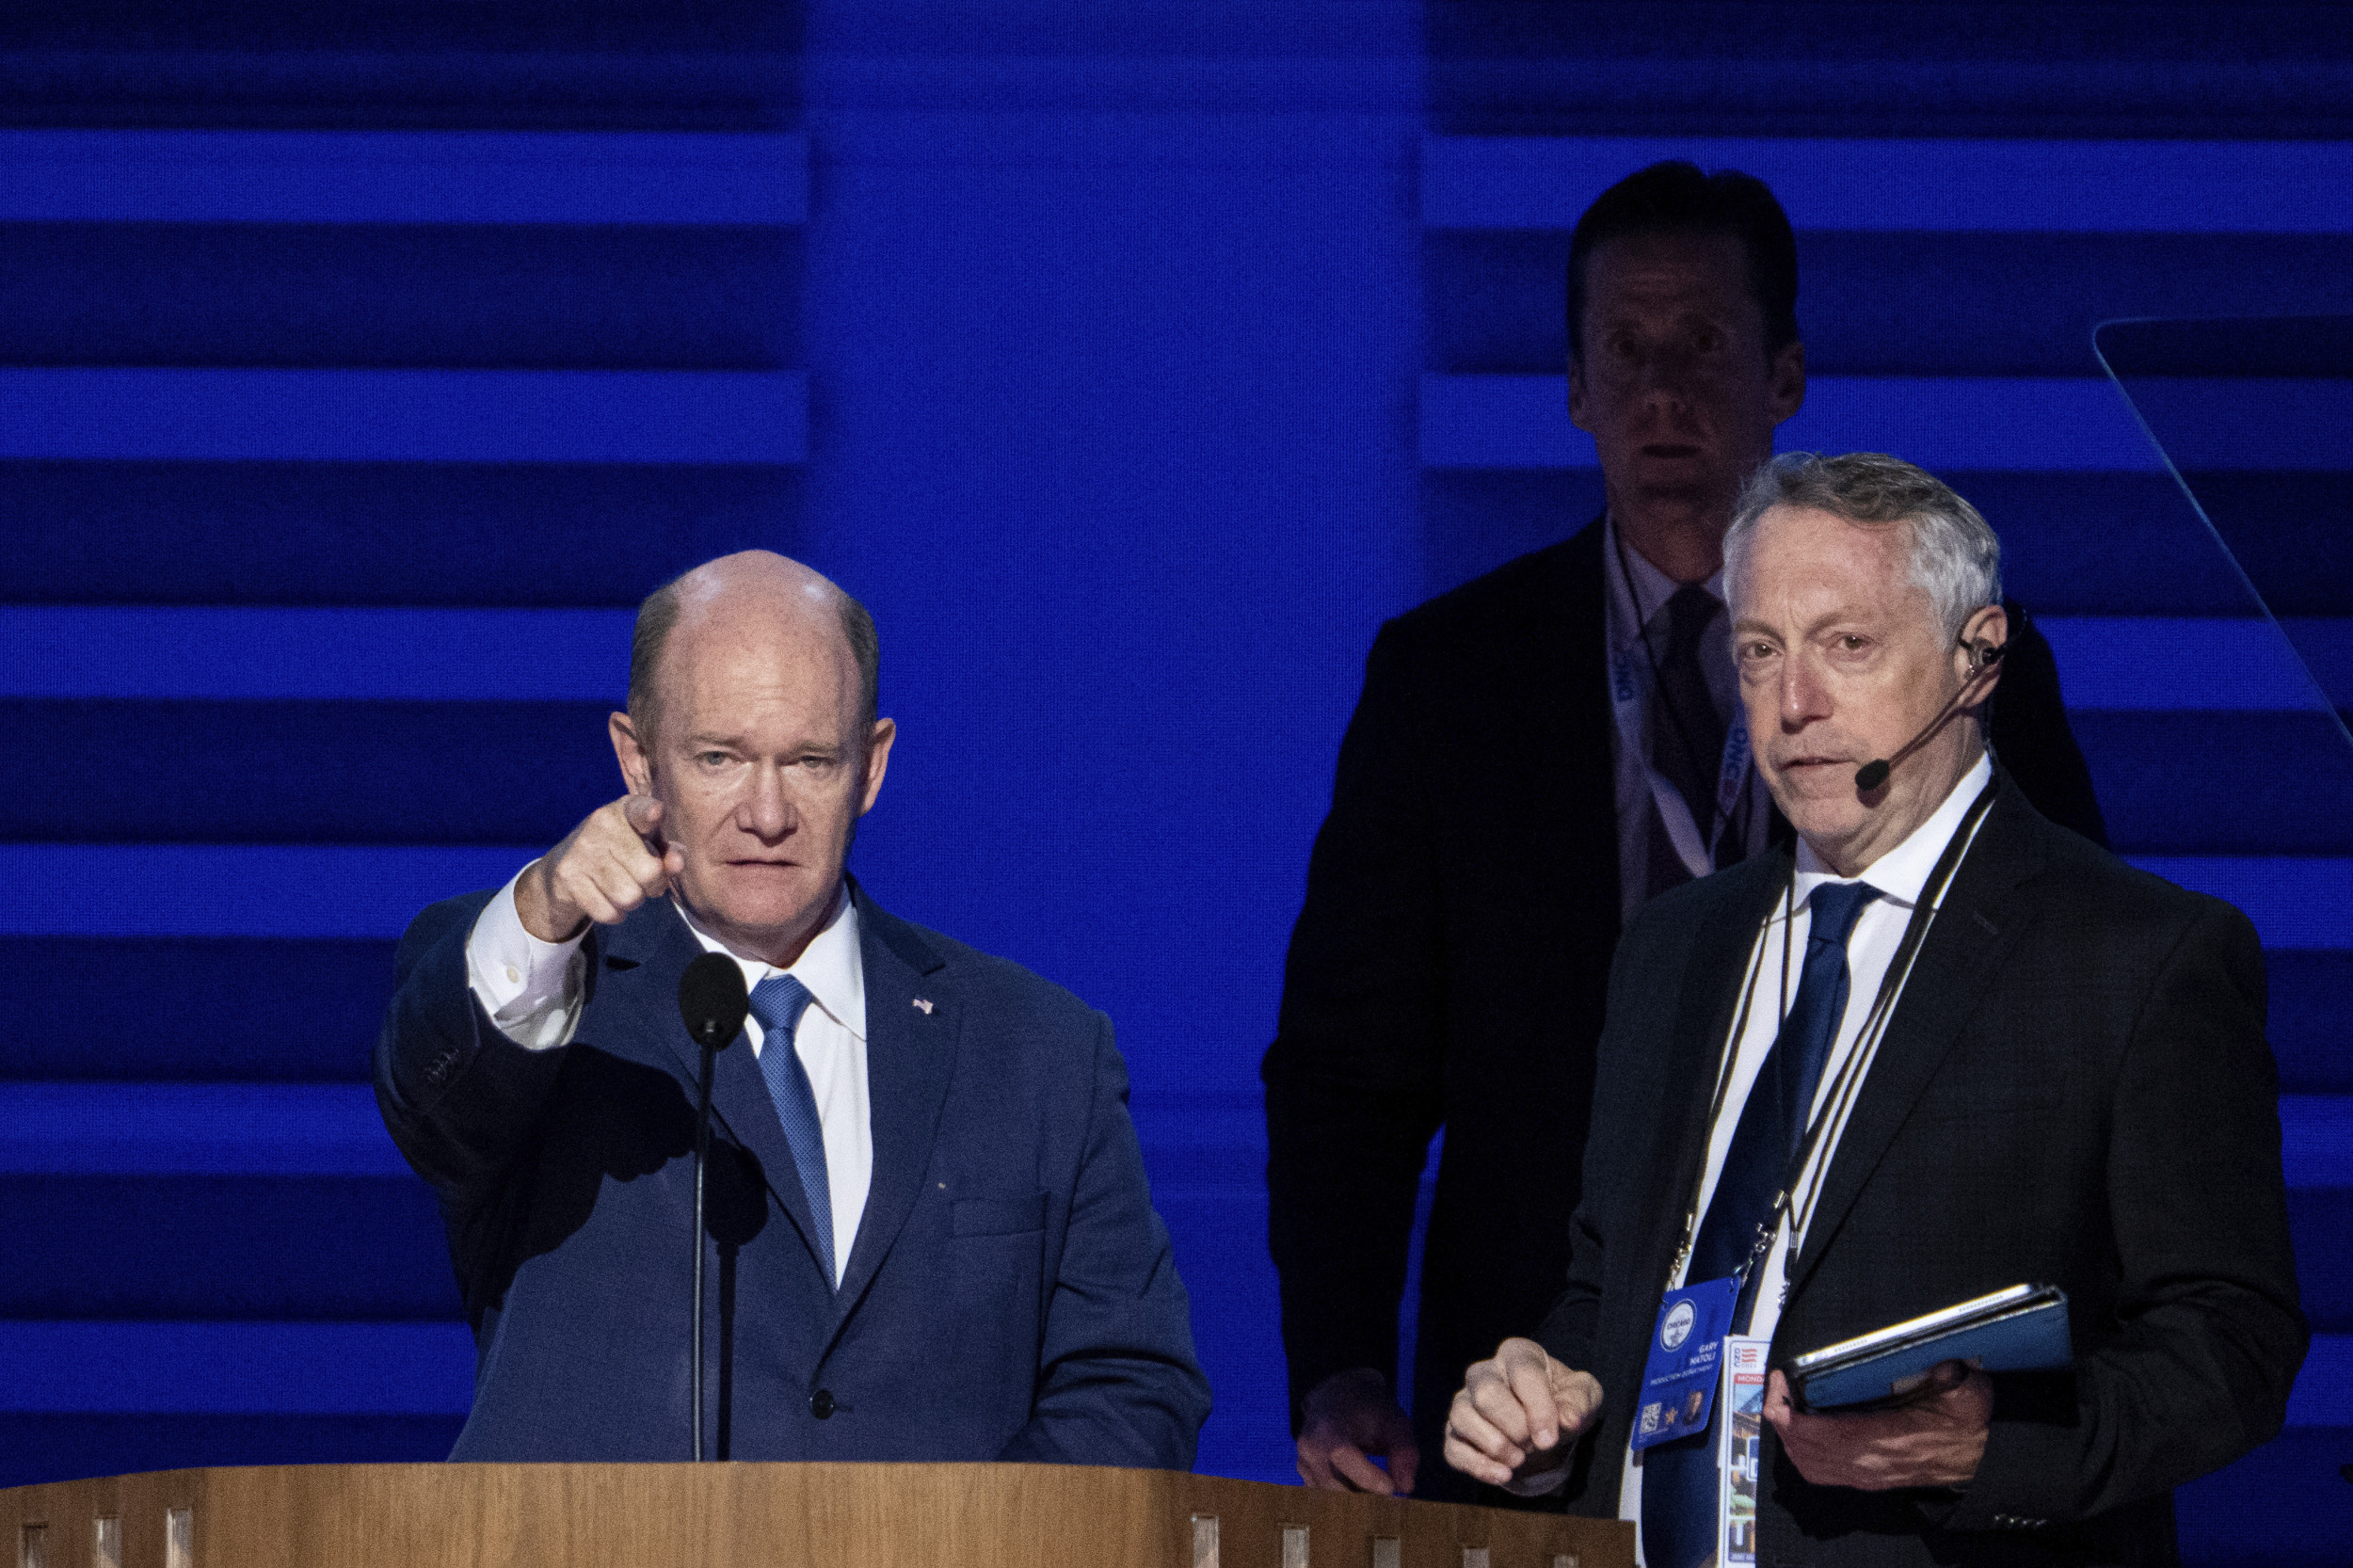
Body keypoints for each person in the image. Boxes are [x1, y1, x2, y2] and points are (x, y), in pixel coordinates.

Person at [1263, 159, 2108, 1502]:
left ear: (1785, 375)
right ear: (1575, 388)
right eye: (1625, 349)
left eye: (1705, 344)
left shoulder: (1952, 654)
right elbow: (1346, 1069)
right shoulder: (1448, 675)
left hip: (1873, 1372)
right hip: (1538, 1382)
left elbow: (2079, 1004)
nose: (1663, 390)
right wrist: (1340, 1358)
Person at [1442, 453, 2305, 1565]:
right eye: (1759, 652)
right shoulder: (1673, 948)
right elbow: (1616, 1294)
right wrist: (1542, 1412)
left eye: (1846, 645)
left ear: (1977, 657)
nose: (1793, 704)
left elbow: (2229, 1344)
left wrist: (1980, 1452)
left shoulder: (2139, 955)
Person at [375, 551, 1210, 1465]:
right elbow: (437, 1111)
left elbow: (1133, 1388)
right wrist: (544, 912)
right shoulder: (545, 984)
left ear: (871, 766)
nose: (765, 813)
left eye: (809, 760)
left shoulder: (1042, 1052)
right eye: (719, 757)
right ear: (637, 758)